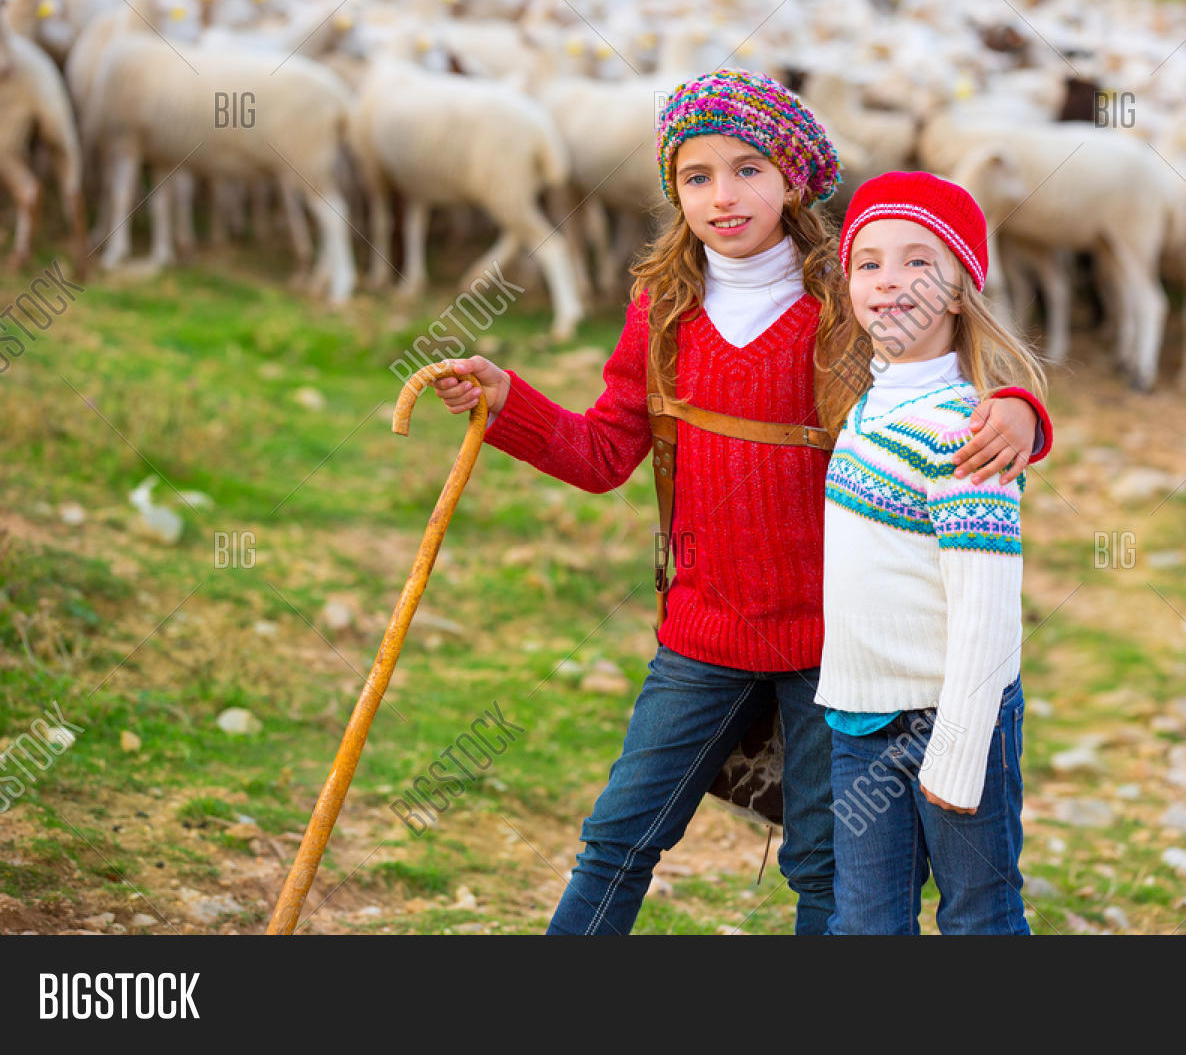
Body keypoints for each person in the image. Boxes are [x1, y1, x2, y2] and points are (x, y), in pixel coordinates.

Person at [431, 70, 1054, 935]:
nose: (724, 196)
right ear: (673, 189)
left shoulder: (845, 300)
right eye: (697, 176)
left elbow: (947, 376)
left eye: (749, 169)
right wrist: (510, 402)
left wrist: (1024, 410)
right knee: (619, 834)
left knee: (826, 865)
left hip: (830, 645)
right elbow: (606, 449)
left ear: (793, 178)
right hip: (705, 629)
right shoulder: (662, 309)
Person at [817, 170, 1045, 935]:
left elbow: (986, 606)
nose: (889, 282)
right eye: (869, 262)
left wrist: (957, 745)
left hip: (951, 715)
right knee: (865, 926)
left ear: (958, 291)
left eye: (919, 260)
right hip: (858, 718)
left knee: (980, 915)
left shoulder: (963, 431)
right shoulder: (867, 405)